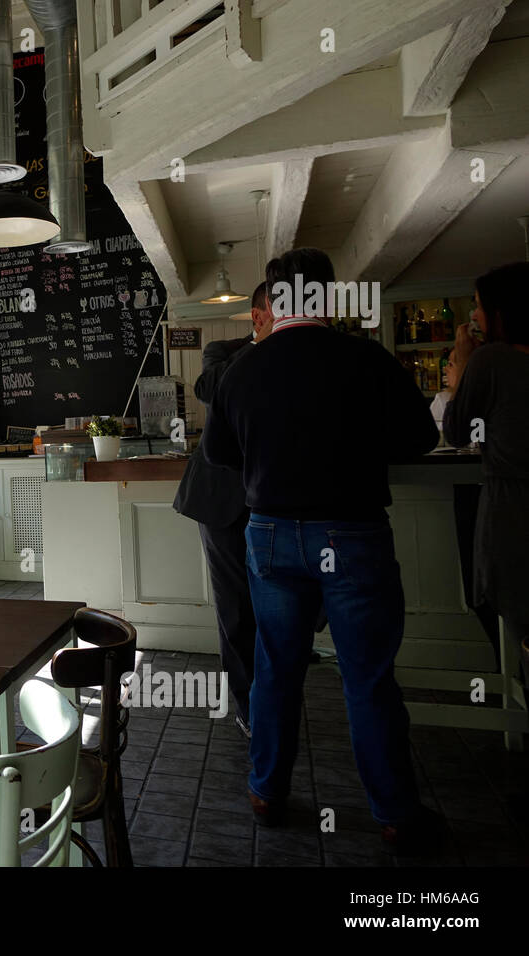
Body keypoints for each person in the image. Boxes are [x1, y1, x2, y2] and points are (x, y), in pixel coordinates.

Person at [203, 247, 440, 852]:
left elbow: (219, 454)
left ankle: (266, 792)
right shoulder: (365, 357)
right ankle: (395, 814)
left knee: (276, 668)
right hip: (352, 532)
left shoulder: (242, 369)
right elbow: (420, 435)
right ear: (329, 298)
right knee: (367, 677)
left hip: (270, 533)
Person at [173, 281, 273, 736]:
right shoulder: (223, 351)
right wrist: (259, 347)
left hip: (275, 499)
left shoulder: (298, 357)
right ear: (258, 317)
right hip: (220, 501)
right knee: (234, 609)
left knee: (276, 605)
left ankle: (275, 697)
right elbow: (208, 389)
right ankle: (250, 708)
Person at [442, 261, 529, 664]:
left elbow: (458, 431)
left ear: (501, 311)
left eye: (478, 305)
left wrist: (461, 373)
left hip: (511, 513)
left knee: (511, 617)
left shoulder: (491, 359)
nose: (473, 316)